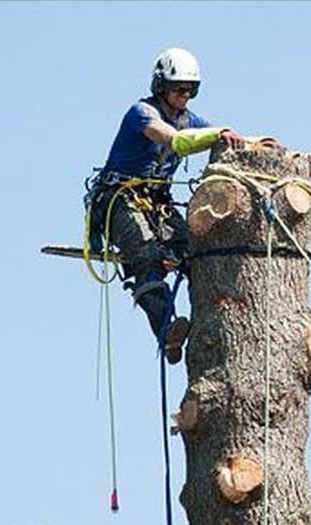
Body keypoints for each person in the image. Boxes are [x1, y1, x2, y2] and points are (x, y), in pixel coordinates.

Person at [85, 48, 244, 364]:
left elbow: (219, 137)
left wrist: (252, 142)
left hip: (158, 204)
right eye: (179, 89)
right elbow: (177, 142)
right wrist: (218, 134)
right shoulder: (142, 113)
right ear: (161, 87)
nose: (185, 95)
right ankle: (166, 330)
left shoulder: (188, 119)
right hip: (121, 200)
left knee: (197, 255)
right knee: (148, 259)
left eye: (191, 90)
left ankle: (207, 328)